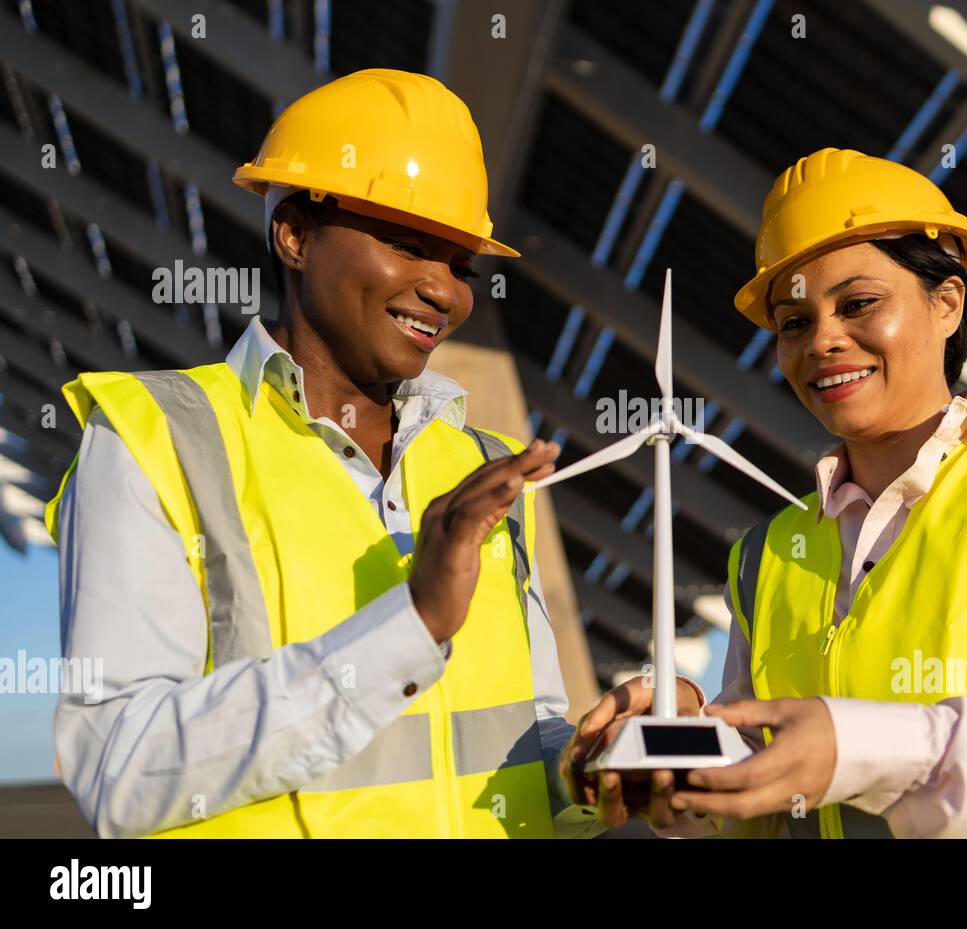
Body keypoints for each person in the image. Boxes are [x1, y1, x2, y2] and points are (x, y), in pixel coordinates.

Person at [43, 68, 705, 838]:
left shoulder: (479, 468)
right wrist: (410, 625)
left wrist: (596, 763)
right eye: (407, 243)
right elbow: (119, 768)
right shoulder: (157, 437)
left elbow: (518, 744)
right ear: (293, 233)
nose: (445, 291)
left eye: (460, 263)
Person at [562, 148, 967, 838]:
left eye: (859, 303)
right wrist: (688, 731)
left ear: (947, 303)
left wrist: (864, 749)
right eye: (793, 322)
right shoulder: (765, 555)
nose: (823, 340)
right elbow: (756, 810)